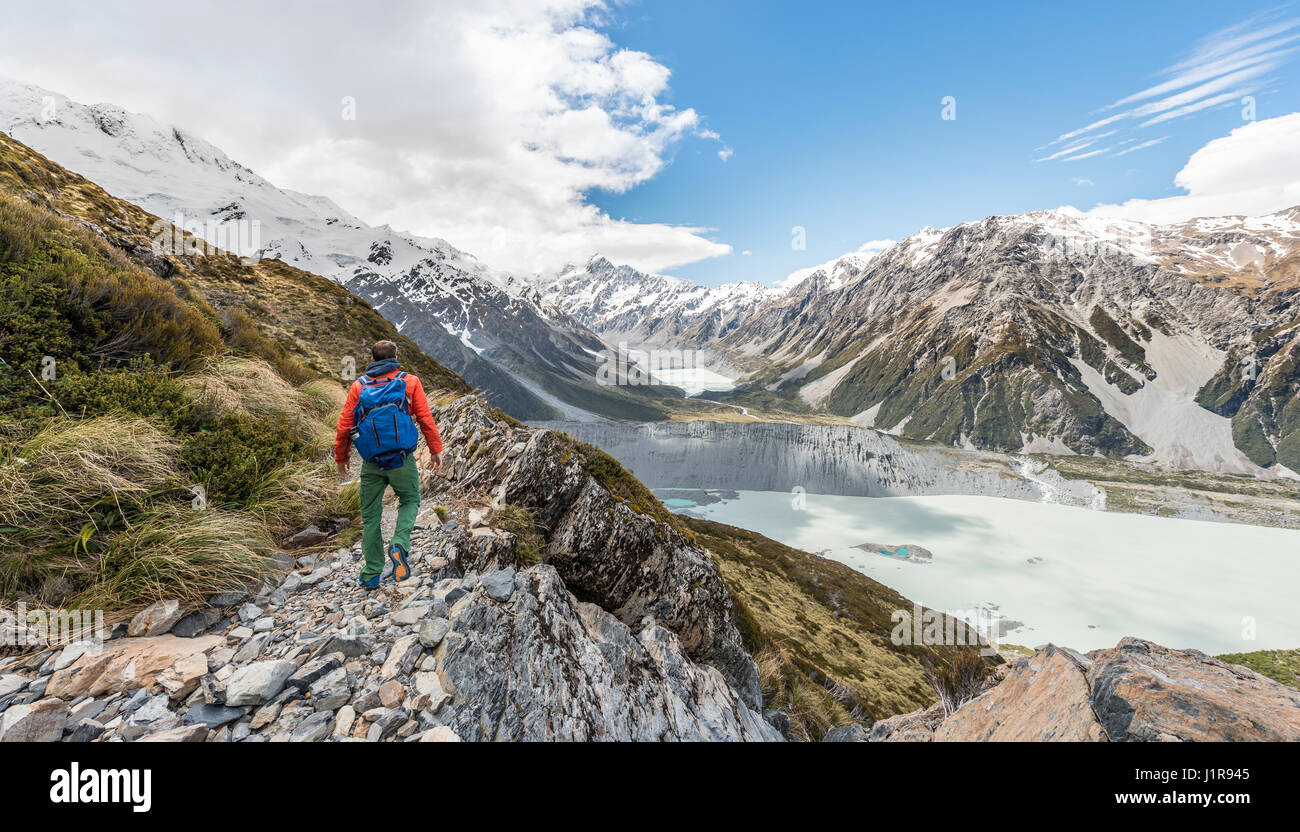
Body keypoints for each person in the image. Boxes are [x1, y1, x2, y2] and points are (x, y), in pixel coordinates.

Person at [334, 340, 444, 588]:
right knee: (411, 499)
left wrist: (342, 458)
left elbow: (344, 425)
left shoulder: (358, 386)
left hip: (371, 461)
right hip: (402, 460)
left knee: (370, 514)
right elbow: (425, 418)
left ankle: (372, 573)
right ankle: (399, 544)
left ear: (372, 360)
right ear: (396, 357)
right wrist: (436, 449)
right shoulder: (410, 382)